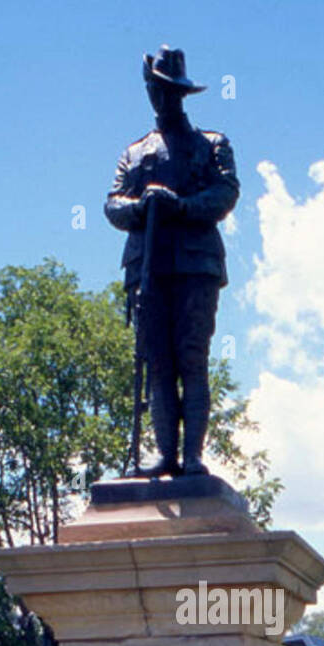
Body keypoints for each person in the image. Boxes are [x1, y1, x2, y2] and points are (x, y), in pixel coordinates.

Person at [105, 46, 240, 476]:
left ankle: (194, 457)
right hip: (147, 267)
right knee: (157, 362)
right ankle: (165, 455)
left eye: (166, 90)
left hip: (195, 265)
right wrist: (142, 206)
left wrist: (179, 206)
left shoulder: (211, 145)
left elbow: (225, 194)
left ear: (182, 93)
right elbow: (112, 204)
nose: (159, 97)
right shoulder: (134, 152)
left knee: (191, 357)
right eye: (153, 89)